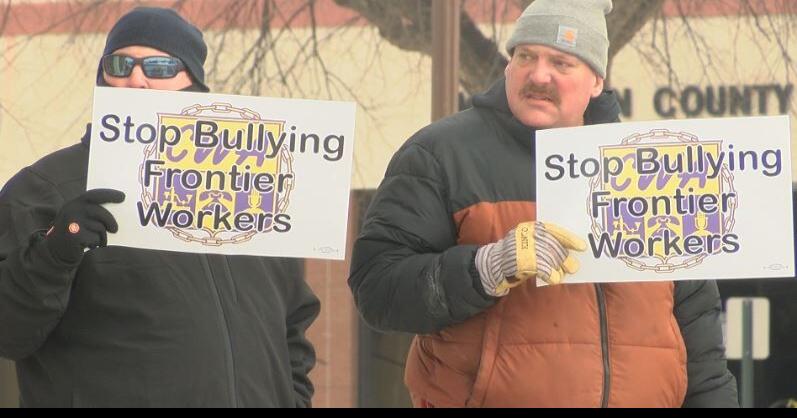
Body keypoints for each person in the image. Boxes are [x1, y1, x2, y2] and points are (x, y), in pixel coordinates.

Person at [348, 0, 738, 408]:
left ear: (596, 81)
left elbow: (700, 342)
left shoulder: (649, 170)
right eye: (525, 56)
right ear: (508, 66)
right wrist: (484, 268)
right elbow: (377, 289)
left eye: (561, 63)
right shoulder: (441, 155)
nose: (538, 75)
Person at [0, 7, 319, 407]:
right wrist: (55, 251)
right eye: (120, 65)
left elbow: (291, 330)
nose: (136, 79)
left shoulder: (249, 190)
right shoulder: (46, 188)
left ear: (195, 85)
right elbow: (9, 332)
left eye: (159, 66)